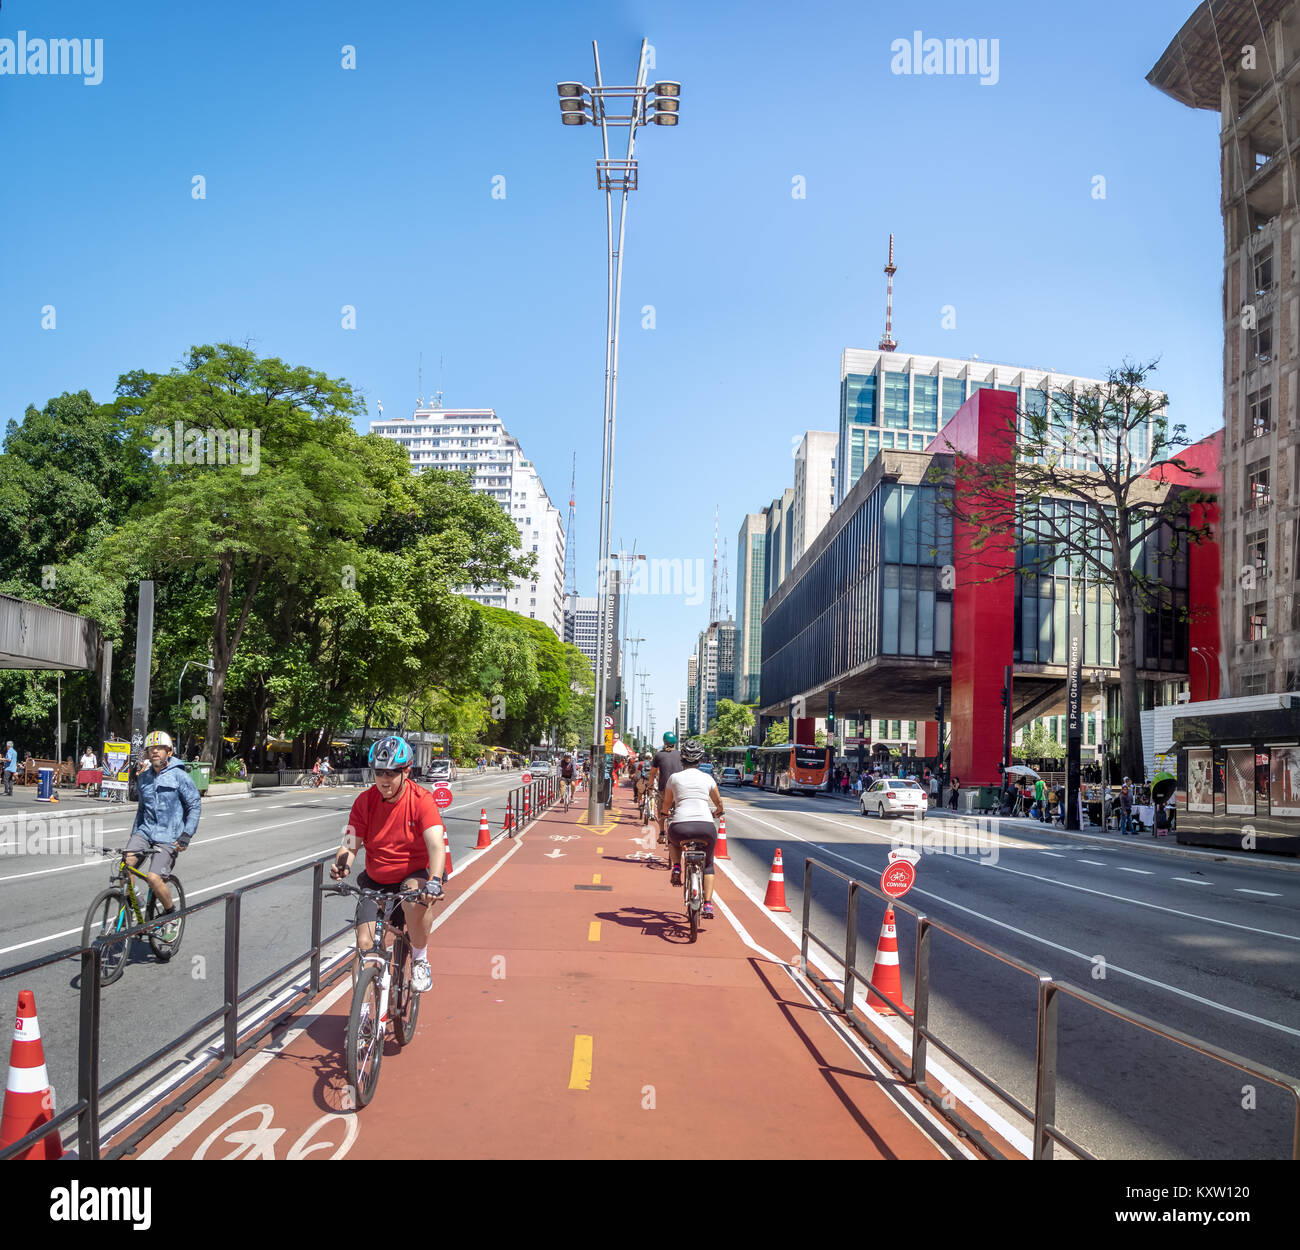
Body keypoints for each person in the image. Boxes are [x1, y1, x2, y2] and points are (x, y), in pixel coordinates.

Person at [330, 735, 445, 993]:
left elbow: (436, 845)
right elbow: (350, 843)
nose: (384, 779)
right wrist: (342, 864)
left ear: (406, 771)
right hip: (375, 879)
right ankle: (361, 1021)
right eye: (379, 772)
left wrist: (435, 881)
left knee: (416, 898)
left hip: (412, 874)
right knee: (364, 945)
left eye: (392, 773)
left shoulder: (421, 800)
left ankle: (420, 959)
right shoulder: (364, 802)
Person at [125, 731, 201, 940]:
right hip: (146, 831)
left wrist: (186, 835)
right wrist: (134, 837)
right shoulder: (145, 777)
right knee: (125, 866)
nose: (154, 751)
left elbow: (194, 805)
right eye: (151, 749)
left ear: (169, 751)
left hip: (169, 836)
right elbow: (141, 809)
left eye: (159, 748)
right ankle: (136, 902)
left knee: (153, 877)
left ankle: (171, 916)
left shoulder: (179, 776)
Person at [660, 739, 724, 921]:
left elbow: (666, 804)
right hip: (705, 827)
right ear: (700, 759)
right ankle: (709, 903)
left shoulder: (674, 778)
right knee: (709, 865)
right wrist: (718, 811)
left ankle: (678, 866)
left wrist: (664, 813)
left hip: (680, 826)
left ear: (682, 759)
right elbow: (719, 802)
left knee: (673, 841)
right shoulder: (708, 778)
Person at [648, 732, 683, 846]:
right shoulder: (681, 754)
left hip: (664, 789)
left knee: (661, 810)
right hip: (679, 789)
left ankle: (662, 833)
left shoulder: (658, 755)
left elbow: (652, 773)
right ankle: (681, 832)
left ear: (664, 741)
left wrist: (650, 786)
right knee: (681, 809)